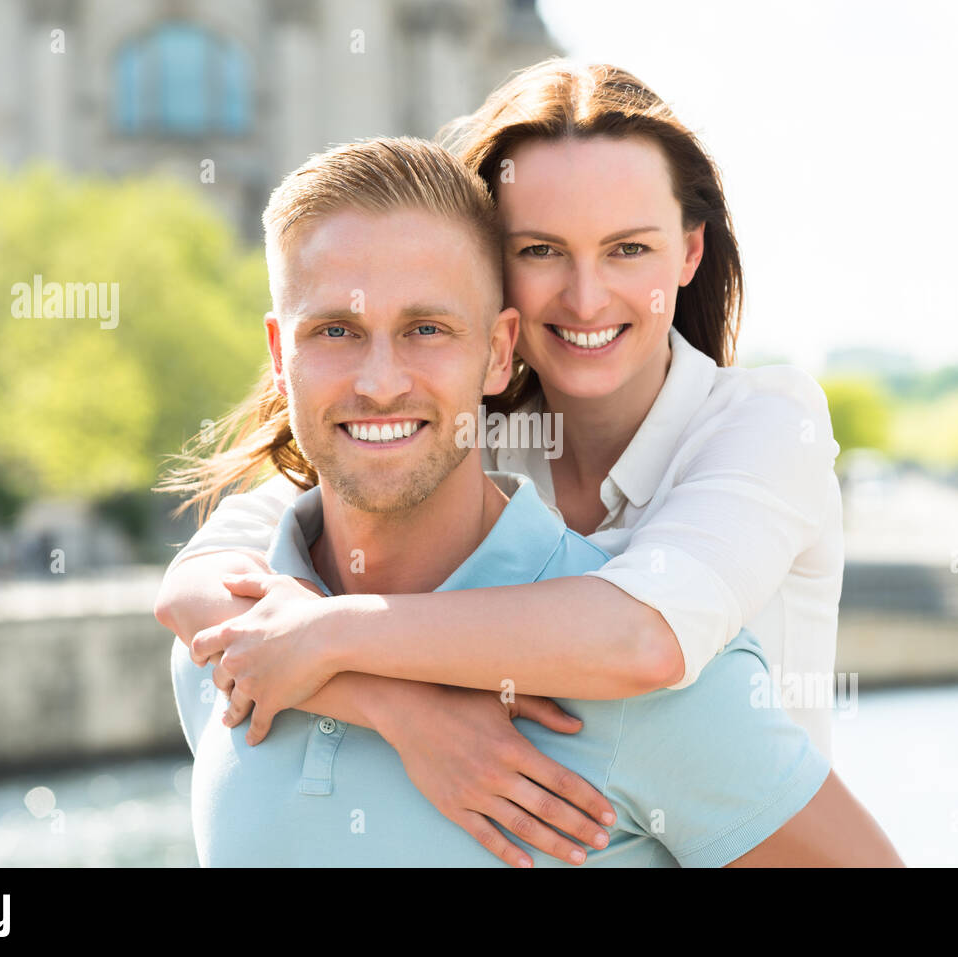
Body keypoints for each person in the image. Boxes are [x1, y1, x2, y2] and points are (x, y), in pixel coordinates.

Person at [156, 60, 844, 868]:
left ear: (689, 253)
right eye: (542, 248)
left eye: (627, 248)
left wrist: (330, 631)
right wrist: (400, 709)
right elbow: (200, 583)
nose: (586, 298)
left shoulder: (762, 426)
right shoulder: (464, 436)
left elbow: (641, 641)